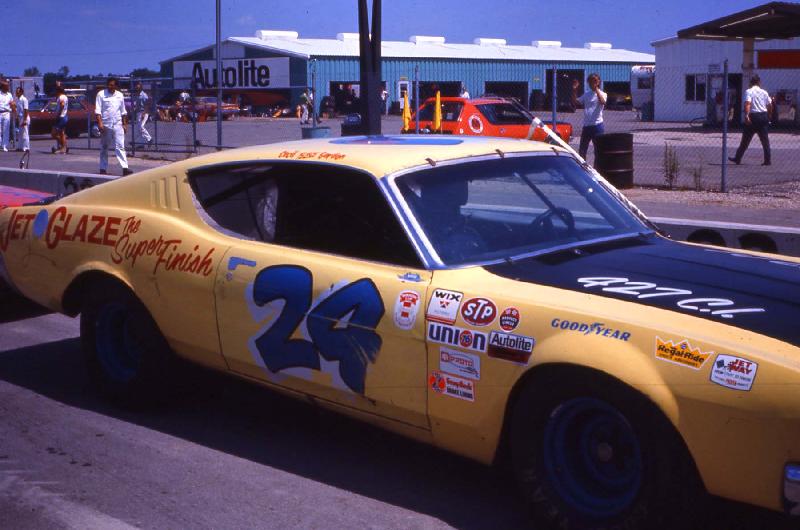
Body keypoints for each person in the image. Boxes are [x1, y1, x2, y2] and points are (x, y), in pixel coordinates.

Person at [729, 75, 772, 166]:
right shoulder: (764, 92)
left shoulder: (749, 91)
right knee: (765, 141)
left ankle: (737, 158)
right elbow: (770, 105)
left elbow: (748, 103)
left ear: (751, 83)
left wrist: (747, 115)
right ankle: (767, 160)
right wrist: (769, 115)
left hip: (753, 116)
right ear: (759, 82)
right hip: (763, 116)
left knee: (745, 140)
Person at [95, 78, 132, 176]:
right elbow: (98, 111)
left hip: (118, 124)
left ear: (116, 86)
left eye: (112, 85)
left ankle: (125, 168)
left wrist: (124, 124)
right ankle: (103, 168)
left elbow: (123, 111)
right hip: (106, 125)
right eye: (109, 85)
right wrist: (100, 123)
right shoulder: (101, 94)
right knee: (104, 147)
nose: (110, 87)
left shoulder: (120, 95)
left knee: (120, 146)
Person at [571, 73, 607, 160]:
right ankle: (584, 169)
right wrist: (574, 90)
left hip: (597, 125)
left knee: (598, 150)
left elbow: (602, 102)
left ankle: (598, 168)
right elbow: (576, 102)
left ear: (598, 82)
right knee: (582, 150)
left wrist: (596, 90)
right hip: (587, 126)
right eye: (590, 82)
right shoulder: (587, 94)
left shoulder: (603, 94)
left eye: (594, 81)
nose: (592, 84)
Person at [51, 85, 69, 154]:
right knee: (61, 133)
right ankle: (63, 147)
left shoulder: (61, 97)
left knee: (54, 134)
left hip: (61, 117)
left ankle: (63, 147)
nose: (55, 92)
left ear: (58, 91)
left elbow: (62, 105)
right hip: (64, 116)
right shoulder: (65, 97)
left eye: (56, 91)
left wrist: (58, 114)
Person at [133, 82, 152, 146]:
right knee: (139, 128)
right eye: (136, 86)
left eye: (138, 86)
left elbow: (147, 104)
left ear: (141, 87)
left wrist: (144, 113)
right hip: (138, 112)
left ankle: (149, 139)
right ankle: (141, 144)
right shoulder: (136, 95)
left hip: (144, 112)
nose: (137, 87)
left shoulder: (144, 95)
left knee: (141, 126)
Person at [15, 87, 30, 152]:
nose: (16, 93)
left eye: (18, 92)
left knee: (25, 133)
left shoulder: (24, 99)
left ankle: (26, 147)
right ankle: (20, 147)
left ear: (21, 92)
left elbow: (25, 110)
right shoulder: (18, 100)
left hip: (24, 117)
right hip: (20, 118)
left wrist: (25, 120)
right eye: (16, 92)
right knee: (20, 133)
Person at [0, 81, 14, 152]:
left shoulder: (10, 95)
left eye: (8, 86)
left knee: (6, 130)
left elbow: (12, 103)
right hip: (0, 112)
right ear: (2, 87)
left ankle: (4, 145)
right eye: (6, 86)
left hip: (7, 113)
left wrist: (14, 111)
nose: (8, 87)